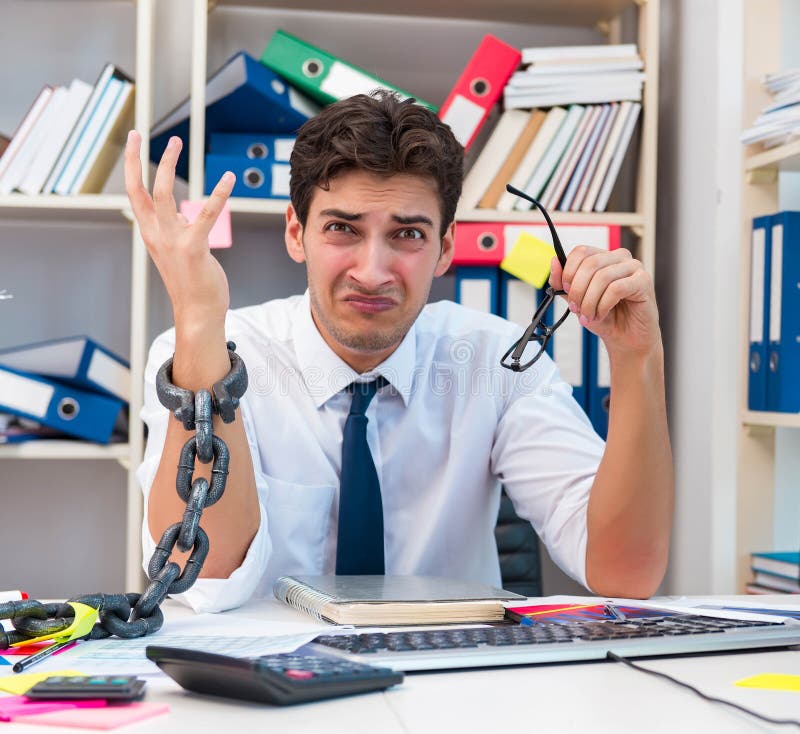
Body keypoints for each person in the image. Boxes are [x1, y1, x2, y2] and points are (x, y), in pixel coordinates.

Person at [126, 91, 673, 614]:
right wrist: (197, 318)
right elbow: (202, 572)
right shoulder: (207, 354)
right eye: (342, 228)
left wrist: (636, 358)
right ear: (297, 233)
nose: (373, 271)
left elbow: (625, 573)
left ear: (446, 248)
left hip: (454, 686)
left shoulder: (496, 361)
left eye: (407, 235)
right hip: (266, 692)